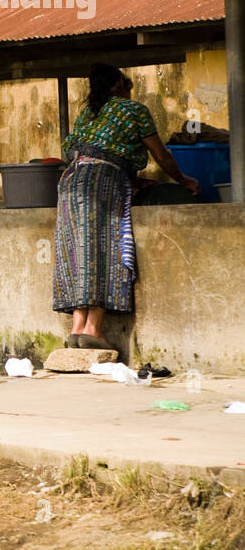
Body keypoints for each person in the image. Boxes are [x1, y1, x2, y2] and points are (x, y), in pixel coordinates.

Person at [53, 64, 199, 348]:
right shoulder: (134, 111)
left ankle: (77, 328)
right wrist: (184, 180)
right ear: (118, 85)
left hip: (70, 181)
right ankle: (93, 330)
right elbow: (160, 154)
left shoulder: (89, 112)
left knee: (75, 251)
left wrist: (134, 180)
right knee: (105, 248)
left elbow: (91, 151)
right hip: (101, 182)